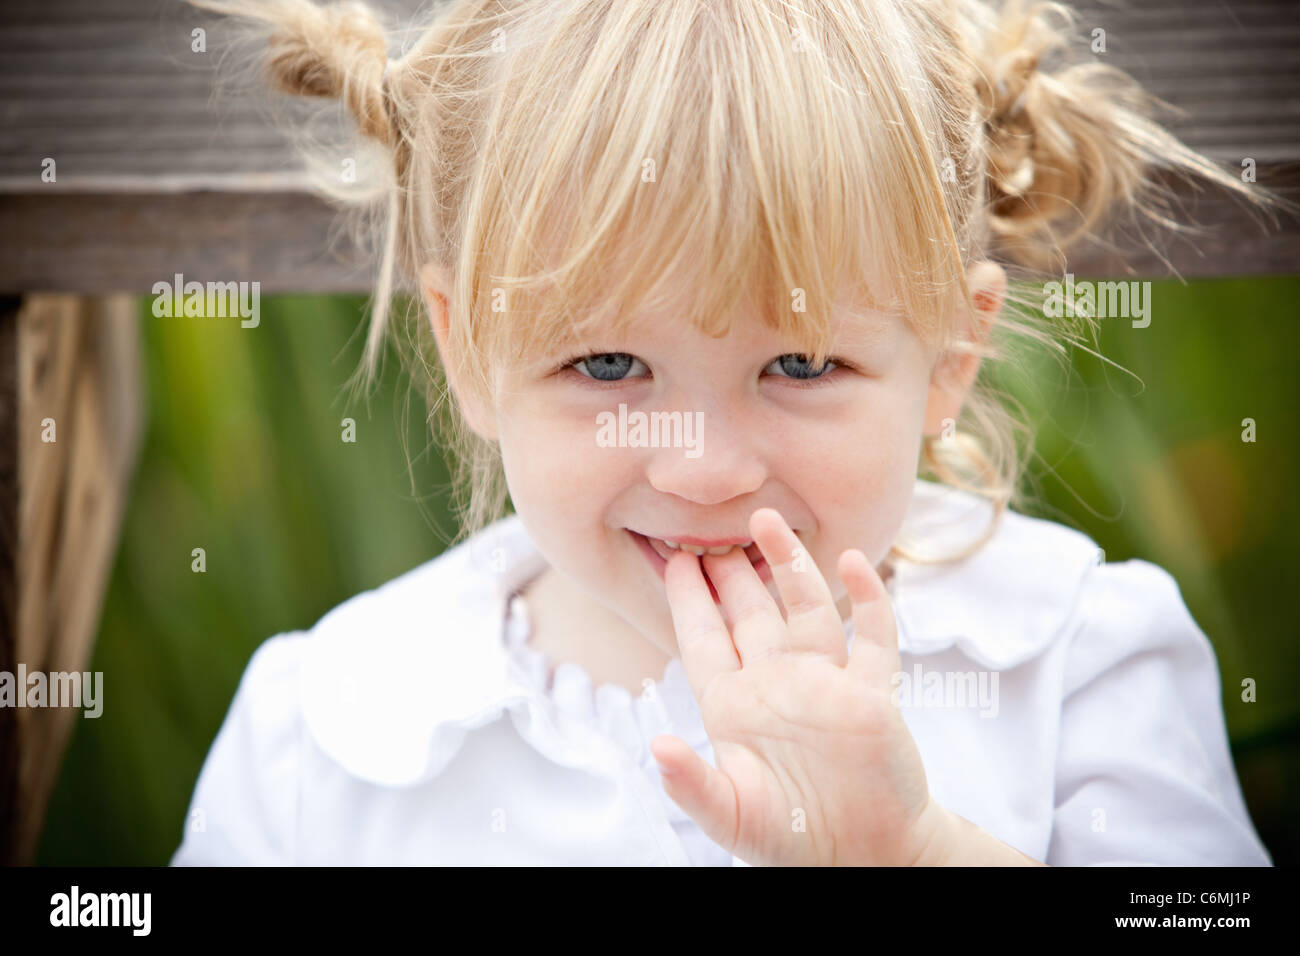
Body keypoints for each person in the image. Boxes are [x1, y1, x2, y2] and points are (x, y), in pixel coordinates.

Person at [171, 0, 1279, 865]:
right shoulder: (332, 728)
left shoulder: (1076, 659)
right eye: (604, 363)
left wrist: (912, 854)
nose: (702, 467)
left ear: (949, 358)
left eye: (799, 363)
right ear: (468, 354)